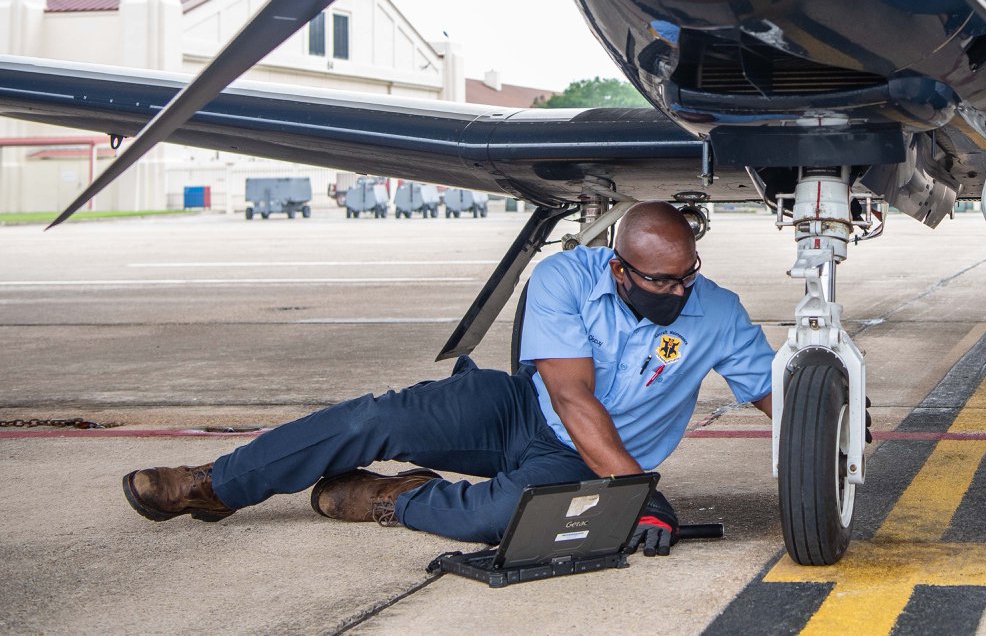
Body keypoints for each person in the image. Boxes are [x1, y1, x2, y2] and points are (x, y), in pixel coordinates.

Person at [120, 201, 775, 554]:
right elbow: (571, 394)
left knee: (498, 520)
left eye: (688, 275)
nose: (680, 291)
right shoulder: (565, 276)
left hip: (579, 462)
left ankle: (395, 497)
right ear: (618, 268)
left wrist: (824, 432)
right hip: (520, 409)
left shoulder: (716, 311)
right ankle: (216, 484)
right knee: (375, 417)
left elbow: (781, 395)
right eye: (662, 280)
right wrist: (639, 492)